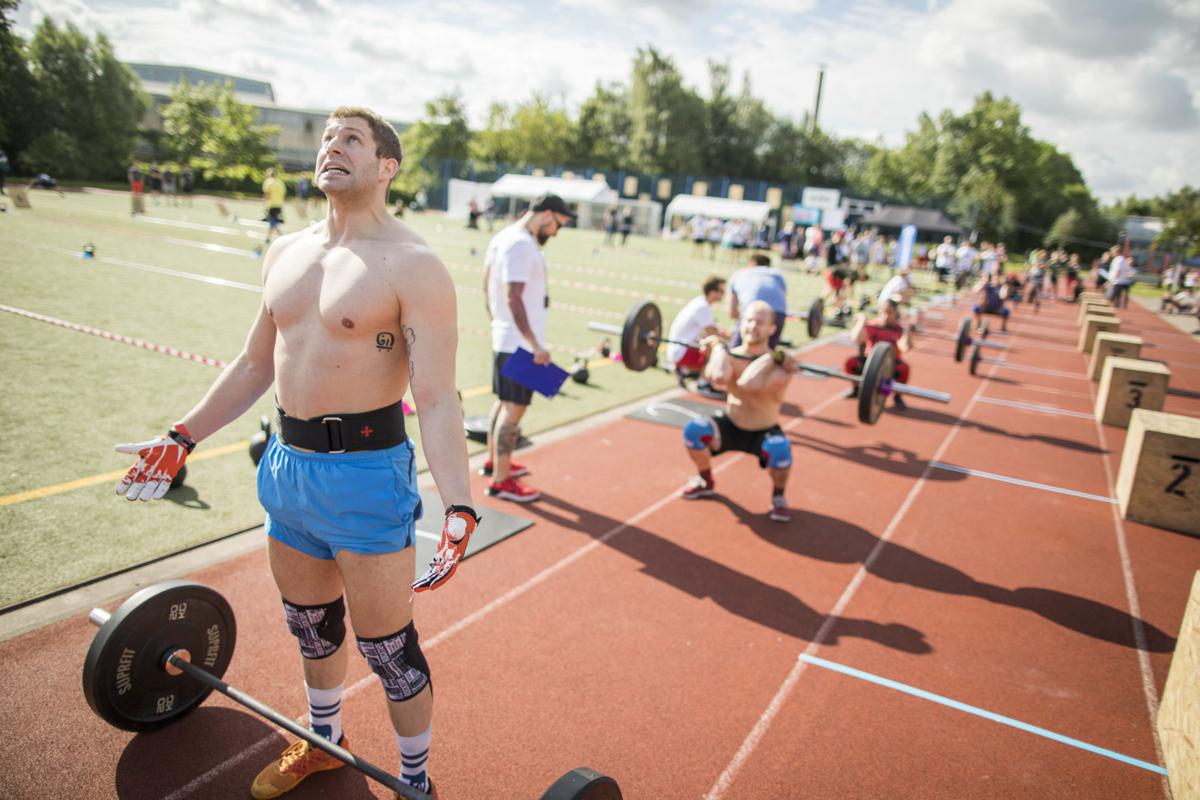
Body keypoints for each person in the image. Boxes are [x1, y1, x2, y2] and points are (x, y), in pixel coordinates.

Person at [112, 106, 477, 799]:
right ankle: (324, 742)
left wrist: (459, 502)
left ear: (387, 167)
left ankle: (415, 782)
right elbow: (255, 364)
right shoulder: (285, 251)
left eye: (351, 139)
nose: (331, 147)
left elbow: (434, 399)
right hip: (287, 468)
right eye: (328, 138)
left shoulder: (415, 265)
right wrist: (182, 436)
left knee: (388, 651)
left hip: (366, 475)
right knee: (311, 627)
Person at [481, 194, 575, 502]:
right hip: (520, 344)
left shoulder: (505, 237)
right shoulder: (520, 244)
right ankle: (501, 481)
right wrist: (533, 344)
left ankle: (495, 462)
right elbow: (513, 297)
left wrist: (498, 324)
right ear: (547, 215)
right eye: (559, 224)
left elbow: (485, 285)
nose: (557, 232)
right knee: (513, 413)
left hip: (507, 338)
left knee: (503, 404)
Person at [677, 300, 796, 522]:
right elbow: (718, 378)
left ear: (772, 329)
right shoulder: (730, 355)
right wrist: (718, 348)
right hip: (731, 424)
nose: (752, 326)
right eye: (748, 320)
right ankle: (705, 480)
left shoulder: (781, 367)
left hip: (763, 430)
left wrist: (770, 357)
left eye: (760, 322)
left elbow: (748, 384)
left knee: (780, 450)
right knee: (695, 430)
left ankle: (778, 496)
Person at [843, 295, 913, 410]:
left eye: (889, 313)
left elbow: (905, 348)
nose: (886, 316)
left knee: (903, 369)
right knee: (851, 363)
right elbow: (857, 339)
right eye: (884, 312)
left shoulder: (899, 329)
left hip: (889, 366)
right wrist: (861, 322)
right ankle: (856, 390)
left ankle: (897, 396)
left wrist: (907, 330)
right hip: (871, 362)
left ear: (896, 313)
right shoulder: (873, 325)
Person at [665, 276, 726, 396]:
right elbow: (712, 335)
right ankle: (702, 384)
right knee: (717, 350)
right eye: (721, 291)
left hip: (678, 348)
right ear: (712, 292)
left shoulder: (700, 302)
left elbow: (710, 329)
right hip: (680, 351)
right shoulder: (703, 307)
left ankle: (685, 371)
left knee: (711, 345)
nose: (723, 294)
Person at [728, 252, 789, 349]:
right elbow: (783, 299)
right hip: (778, 314)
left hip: (752, 313)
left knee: (735, 352)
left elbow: (732, 312)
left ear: (752, 263)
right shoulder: (776, 274)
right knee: (767, 353)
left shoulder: (738, 274)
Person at [262, 167, 287, 245]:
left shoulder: (268, 182)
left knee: (273, 222)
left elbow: (267, 195)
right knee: (273, 222)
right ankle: (268, 238)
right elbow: (283, 195)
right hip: (279, 205)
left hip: (271, 205)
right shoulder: (281, 183)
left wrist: (265, 206)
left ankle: (281, 236)